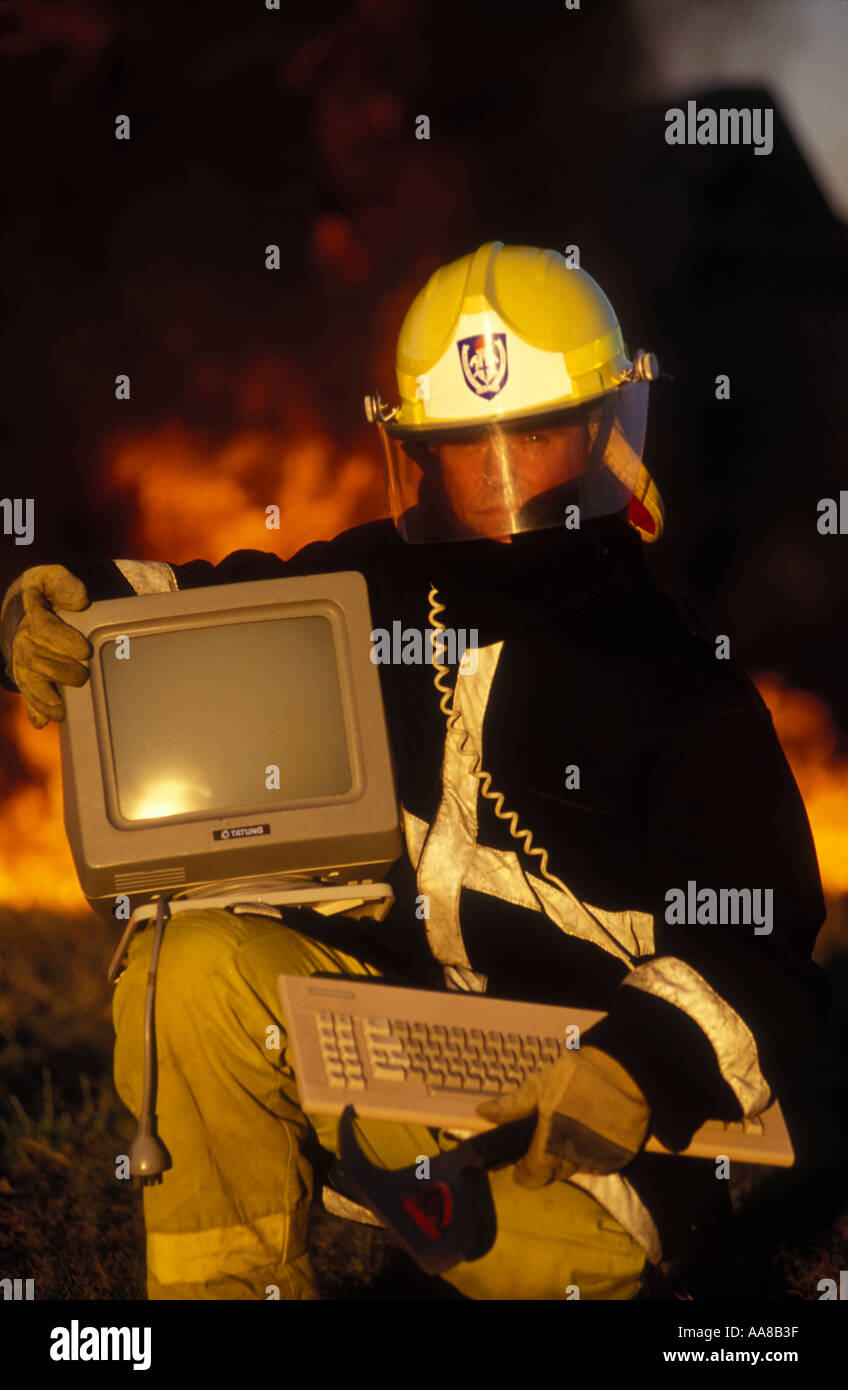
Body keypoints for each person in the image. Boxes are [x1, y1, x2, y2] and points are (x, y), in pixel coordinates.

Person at [0, 242, 827, 1300]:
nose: (492, 478)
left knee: (583, 1262)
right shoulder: (369, 587)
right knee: (190, 958)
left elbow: (758, 944)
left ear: (597, 435)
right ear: (417, 453)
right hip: (383, 1056)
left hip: (589, 1124)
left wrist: (636, 1065)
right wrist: (61, 606)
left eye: (528, 435)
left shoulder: (680, 680)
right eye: (460, 445)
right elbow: (191, 607)